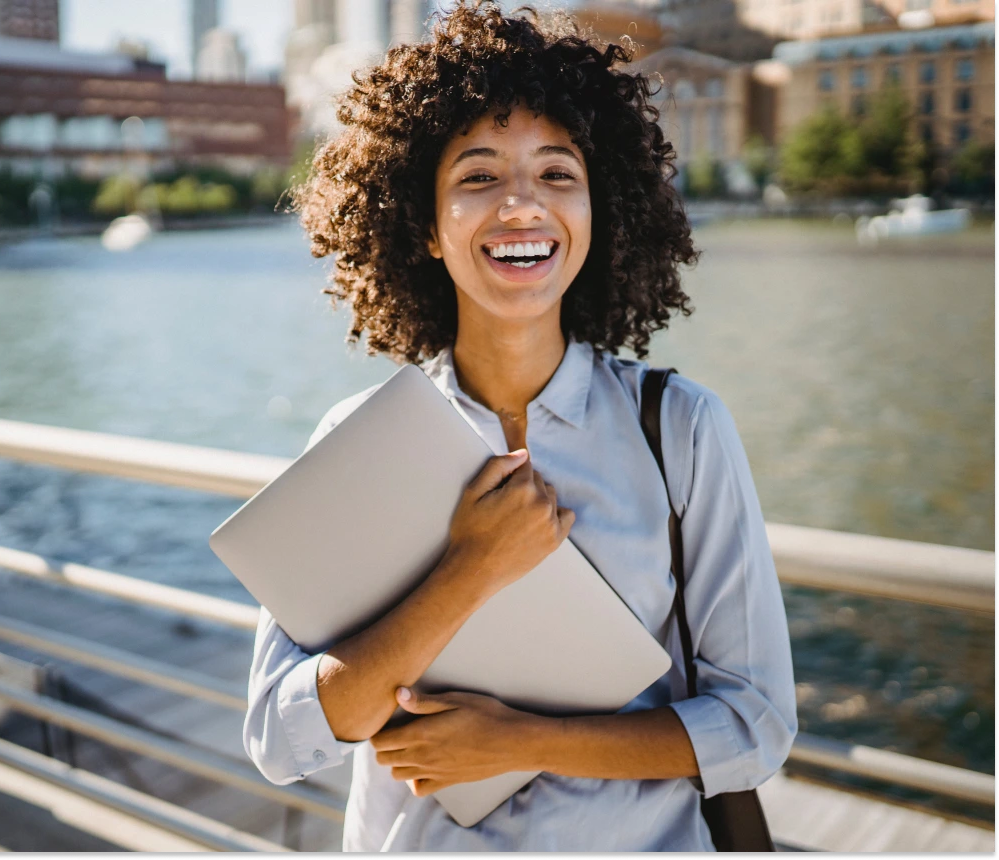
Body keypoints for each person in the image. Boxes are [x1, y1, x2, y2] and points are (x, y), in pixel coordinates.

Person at [243, 3, 796, 851]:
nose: (521, 205)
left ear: (595, 207)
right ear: (426, 227)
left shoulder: (679, 430)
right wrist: (468, 570)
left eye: (556, 173)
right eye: (476, 177)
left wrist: (518, 743)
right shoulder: (355, 440)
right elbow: (279, 740)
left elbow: (754, 724)